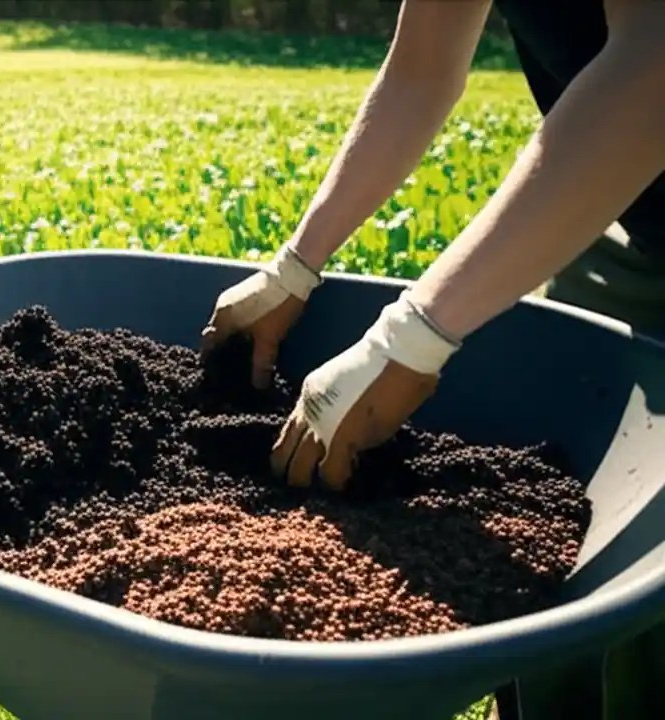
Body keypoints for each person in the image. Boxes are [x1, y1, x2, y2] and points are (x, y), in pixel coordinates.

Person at [200, 1, 663, 718]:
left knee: (643, 590)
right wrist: (295, 267)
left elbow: (655, 64)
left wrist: (411, 339)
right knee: (573, 561)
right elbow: (421, 68)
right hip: (641, 212)